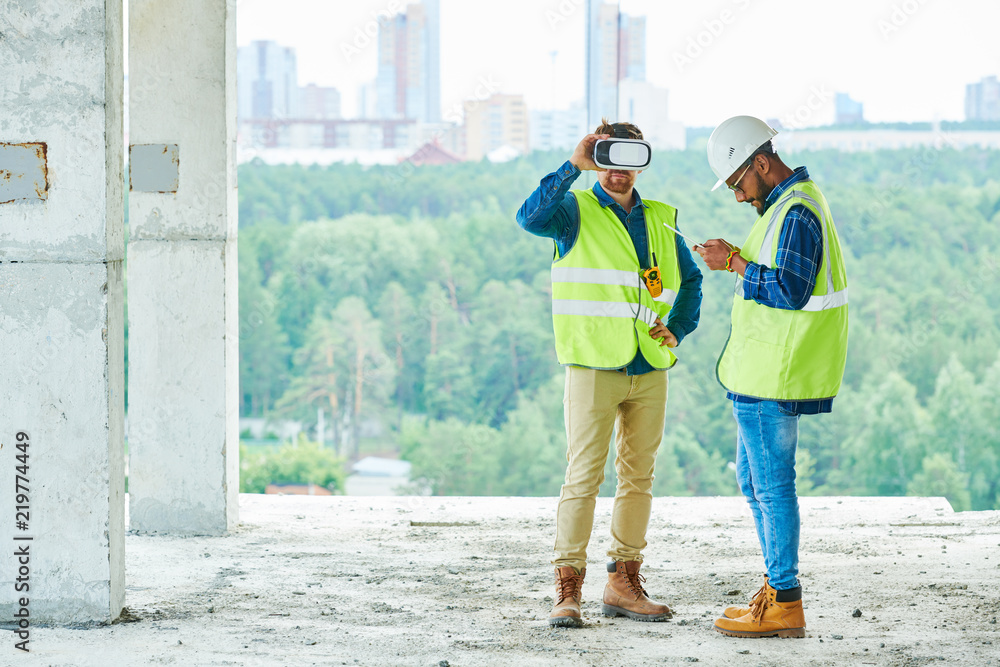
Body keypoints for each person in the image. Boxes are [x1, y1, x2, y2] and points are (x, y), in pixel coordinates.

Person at [516, 119, 703, 628]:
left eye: (630, 160)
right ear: (598, 158)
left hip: (649, 367)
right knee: (583, 478)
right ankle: (568, 589)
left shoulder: (662, 219)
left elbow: (690, 279)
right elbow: (529, 219)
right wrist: (571, 166)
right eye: (609, 159)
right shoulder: (573, 211)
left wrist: (678, 328)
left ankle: (623, 582)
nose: (619, 173)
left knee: (638, 478)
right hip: (593, 365)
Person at [693, 116, 849, 638]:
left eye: (739, 183)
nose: (738, 197)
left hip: (774, 376)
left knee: (773, 486)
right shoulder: (785, 205)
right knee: (754, 482)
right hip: (760, 373)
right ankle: (775, 591)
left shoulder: (797, 211)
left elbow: (791, 290)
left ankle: (785, 600)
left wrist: (734, 262)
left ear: (761, 163)